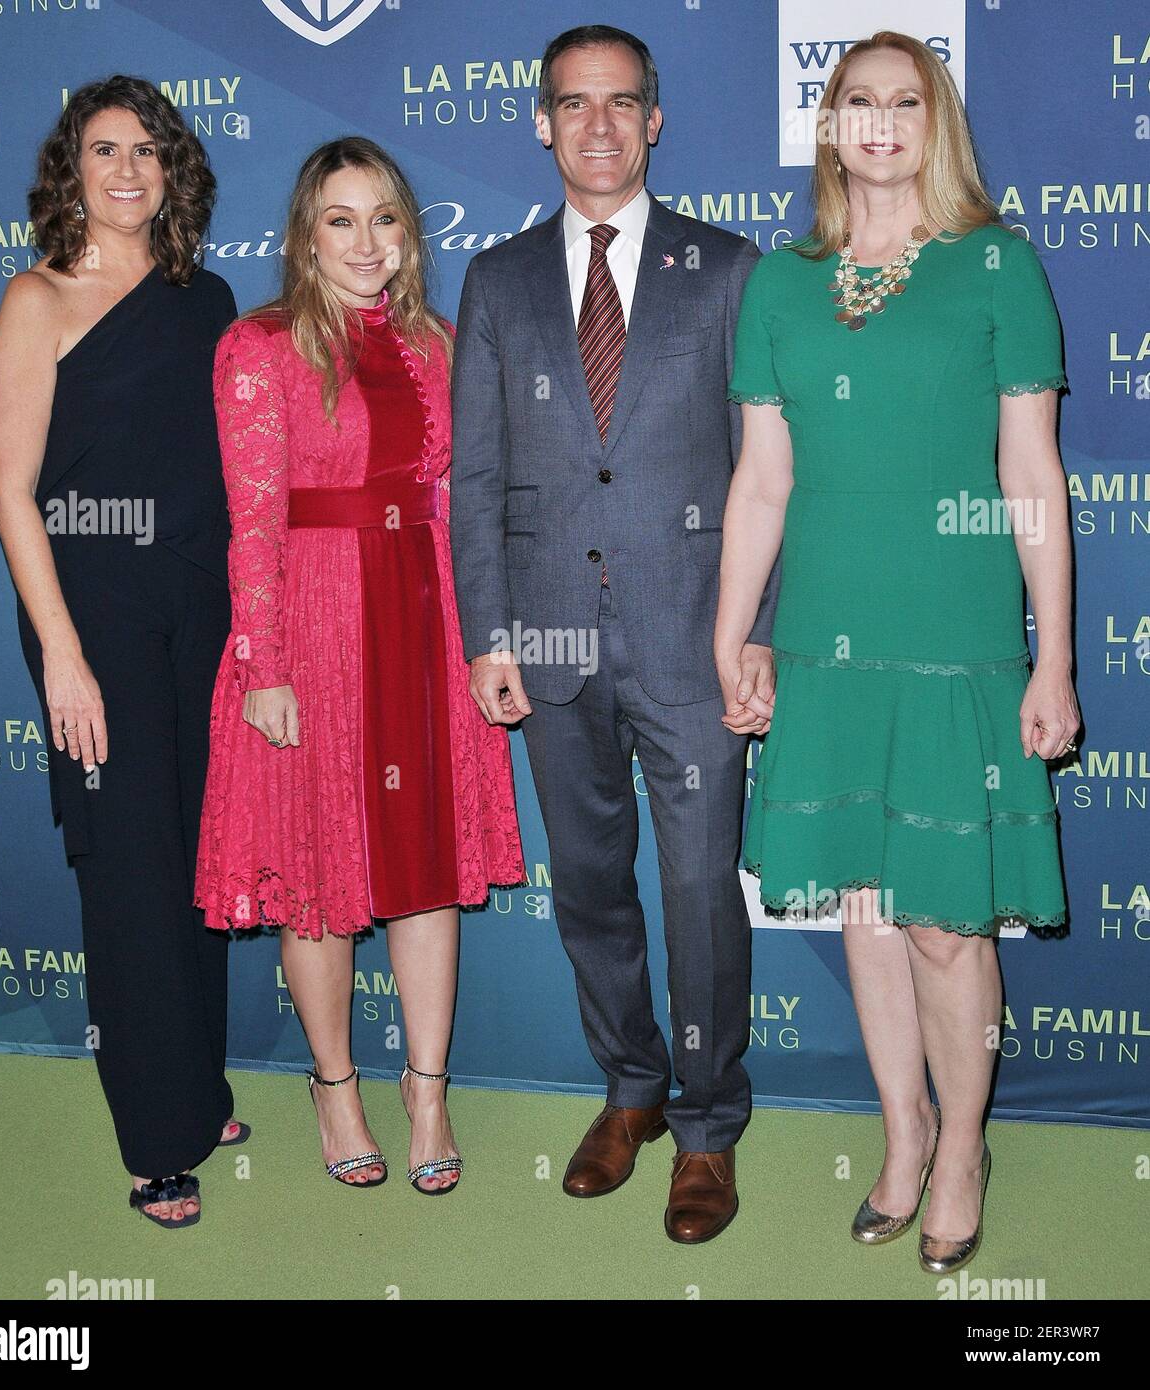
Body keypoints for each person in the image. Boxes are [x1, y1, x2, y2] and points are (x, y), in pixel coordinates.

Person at [716, 31, 1079, 1273]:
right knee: (867, 911)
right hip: (824, 644)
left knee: (944, 927)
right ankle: (905, 1133)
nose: (878, 121)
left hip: (959, 644)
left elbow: (1032, 475)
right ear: (829, 126)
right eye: (855, 101)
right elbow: (762, 483)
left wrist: (1055, 657)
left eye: (903, 101)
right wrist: (734, 635)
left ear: (938, 122)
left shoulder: (995, 266)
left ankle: (966, 1148)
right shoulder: (781, 281)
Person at [450, 25, 780, 1244]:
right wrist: (489, 631)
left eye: (620, 103)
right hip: (548, 642)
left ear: (655, 121)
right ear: (541, 121)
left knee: (700, 892)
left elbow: (767, 473)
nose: (595, 124)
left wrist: (761, 636)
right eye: (571, 104)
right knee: (589, 887)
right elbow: (475, 477)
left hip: (696, 641)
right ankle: (629, 1089)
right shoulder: (495, 280)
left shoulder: (729, 269)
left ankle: (706, 1124)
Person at [195, 137, 525, 1196]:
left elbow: (467, 505)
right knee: (318, 881)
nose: (367, 241)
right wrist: (266, 663)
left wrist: (486, 639)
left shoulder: (439, 343)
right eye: (341, 219)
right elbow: (252, 524)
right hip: (315, 627)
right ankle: (335, 1086)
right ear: (304, 233)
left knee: (423, 874)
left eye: (386, 217)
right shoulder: (257, 346)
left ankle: (427, 1093)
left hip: (425, 615)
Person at [0, 76, 245, 1229]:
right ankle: (156, 1141)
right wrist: (65, 658)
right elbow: (9, 490)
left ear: (172, 166)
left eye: (147, 148)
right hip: (97, 617)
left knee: (198, 858)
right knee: (132, 872)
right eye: (104, 150)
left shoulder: (209, 298)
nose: (127, 169)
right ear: (71, 170)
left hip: (206, 606)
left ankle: (195, 1086)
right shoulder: (36, 298)